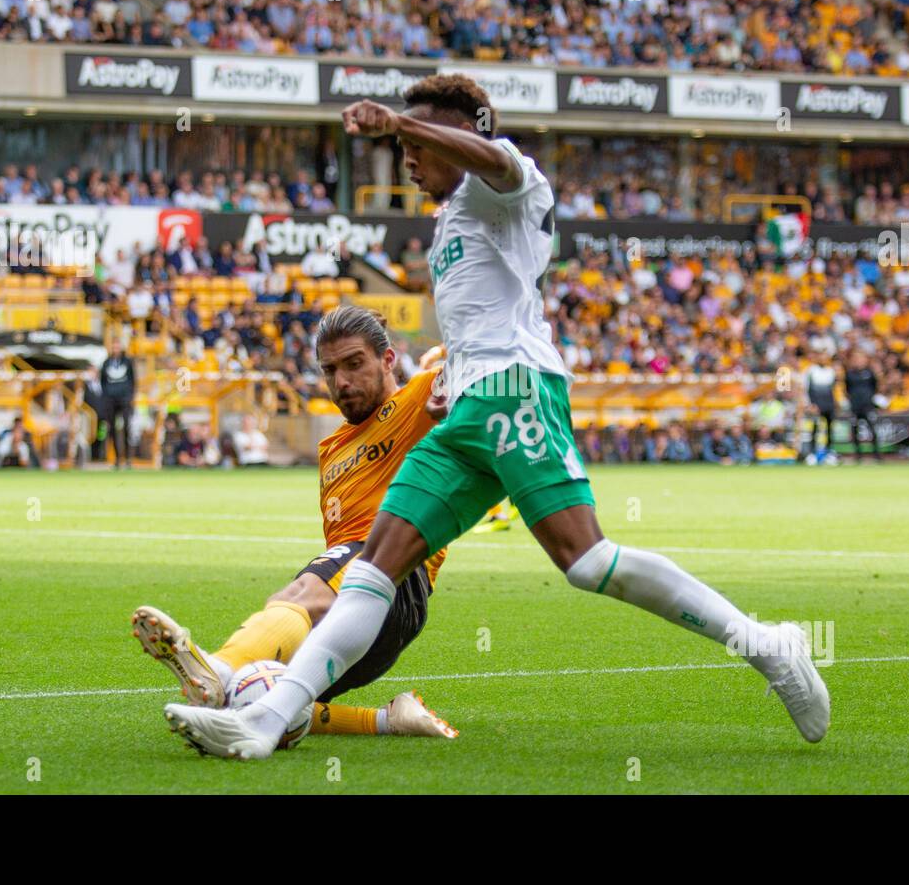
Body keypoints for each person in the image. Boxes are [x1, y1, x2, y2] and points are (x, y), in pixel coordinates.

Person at [163, 75, 829, 758]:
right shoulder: (449, 220)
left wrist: (403, 120)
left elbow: (497, 160)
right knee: (370, 571)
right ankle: (264, 722)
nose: (407, 158)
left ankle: (765, 642)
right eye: (401, 146)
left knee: (587, 561)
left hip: (516, 391)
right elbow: (480, 316)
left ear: (462, 136)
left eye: (416, 143)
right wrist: (451, 374)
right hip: (466, 416)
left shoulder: (510, 186)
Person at [135, 306, 456, 741]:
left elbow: (473, 361)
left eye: (355, 363)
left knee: (296, 595)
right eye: (330, 370)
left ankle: (217, 666)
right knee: (256, 688)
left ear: (388, 360)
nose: (342, 381)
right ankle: (388, 719)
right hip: (362, 612)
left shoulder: (417, 400)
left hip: (394, 572)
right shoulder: (332, 450)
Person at [100, 340, 135, 469]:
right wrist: (106, 397)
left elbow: (132, 380)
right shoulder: (106, 363)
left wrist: (130, 396)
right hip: (111, 400)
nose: (116, 349)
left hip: (124, 399)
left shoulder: (127, 362)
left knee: (127, 428)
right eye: (114, 347)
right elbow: (103, 382)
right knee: (112, 430)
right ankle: (116, 459)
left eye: (117, 347)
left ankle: (127, 458)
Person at [843, 349, 883, 463]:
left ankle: (876, 453)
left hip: (867, 406)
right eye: (855, 359)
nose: (857, 361)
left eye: (860, 358)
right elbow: (847, 389)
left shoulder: (869, 373)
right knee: (855, 429)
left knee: (872, 429)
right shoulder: (849, 374)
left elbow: (875, 387)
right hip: (855, 407)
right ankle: (858, 454)